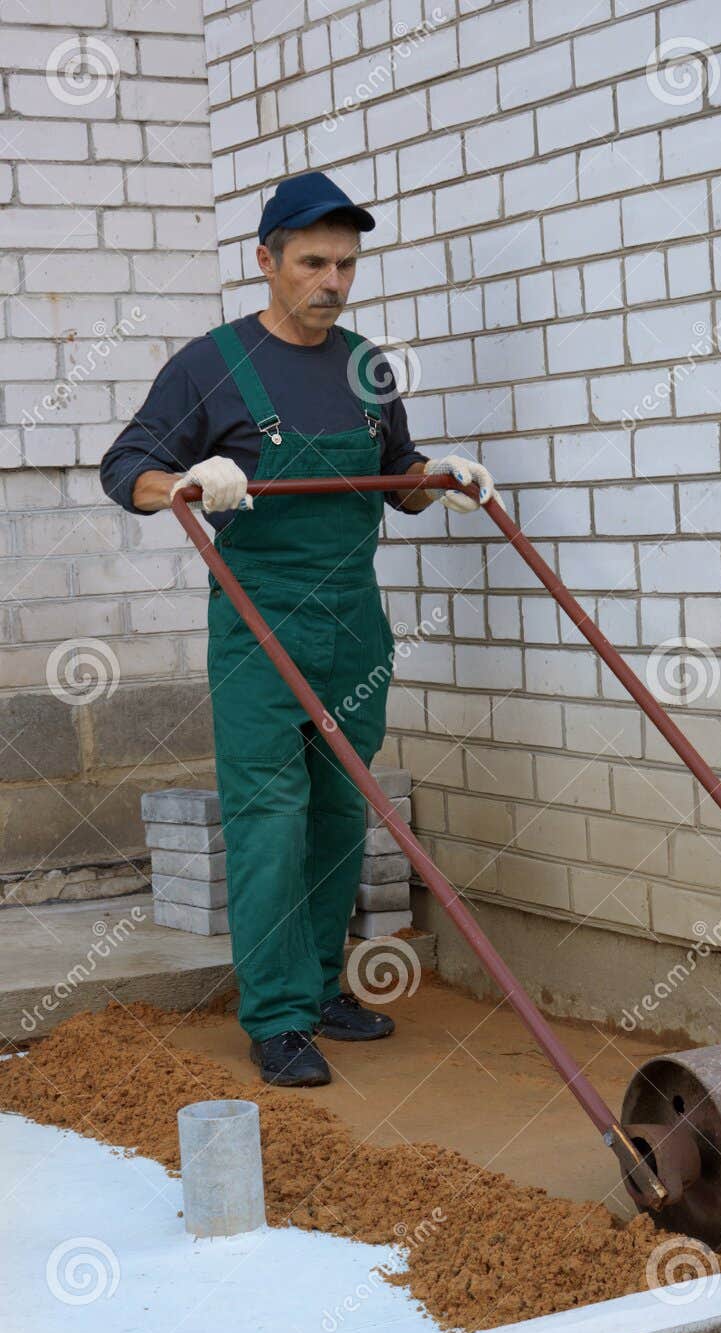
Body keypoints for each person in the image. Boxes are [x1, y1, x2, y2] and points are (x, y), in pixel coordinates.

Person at [101, 170, 495, 1087]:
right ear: (266, 262)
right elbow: (126, 470)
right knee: (270, 820)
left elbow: (395, 477)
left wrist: (439, 473)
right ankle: (275, 1017)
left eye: (346, 265)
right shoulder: (211, 363)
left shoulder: (368, 367)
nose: (332, 281)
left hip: (353, 623)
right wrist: (190, 480)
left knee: (336, 811)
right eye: (312, 262)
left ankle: (321, 988)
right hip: (258, 624)